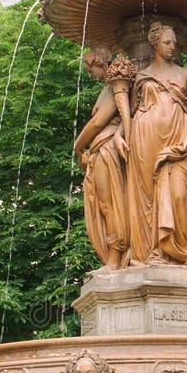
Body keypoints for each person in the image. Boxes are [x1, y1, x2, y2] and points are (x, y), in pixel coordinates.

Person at [124, 22, 187, 265]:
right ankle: (152, 253)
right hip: (145, 140)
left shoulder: (184, 74)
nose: (172, 47)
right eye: (167, 42)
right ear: (154, 44)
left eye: (174, 42)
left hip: (178, 142)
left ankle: (179, 252)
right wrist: (118, 136)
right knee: (148, 198)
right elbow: (131, 112)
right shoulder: (141, 76)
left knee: (179, 194)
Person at [74, 46, 129, 270]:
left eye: (91, 68)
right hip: (103, 147)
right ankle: (114, 258)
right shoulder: (110, 87)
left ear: (101, 63)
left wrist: (77, 147)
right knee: (107, 205)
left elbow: (98, 122)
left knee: (110, 205)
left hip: (108, 149)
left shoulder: (113, 88)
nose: (90, 74)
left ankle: (115, 259)